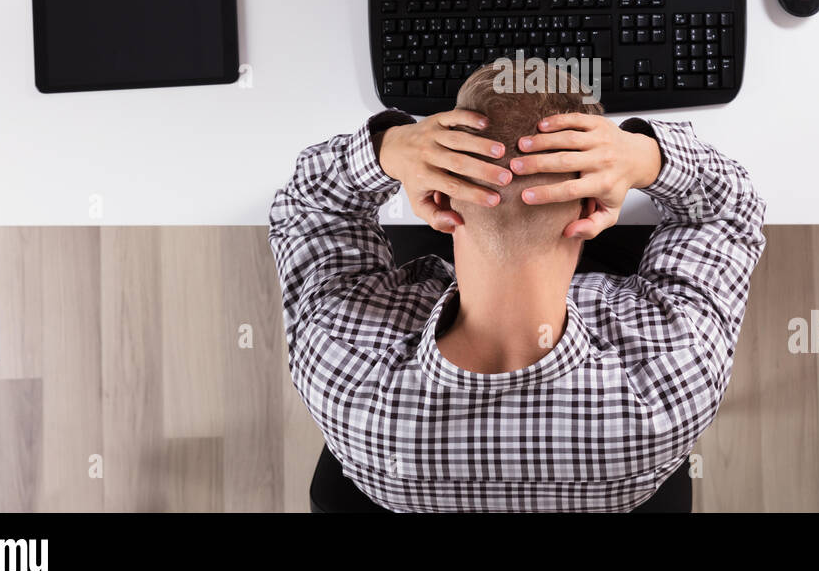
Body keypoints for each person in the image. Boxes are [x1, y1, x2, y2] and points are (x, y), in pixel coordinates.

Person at [269, 62, 766, 512]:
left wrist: (385, 148)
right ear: (594, 210)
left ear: (437, 199)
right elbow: (729, 209)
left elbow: (309, 208)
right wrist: (645, 156)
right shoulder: (673, 375)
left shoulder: (344, 367)